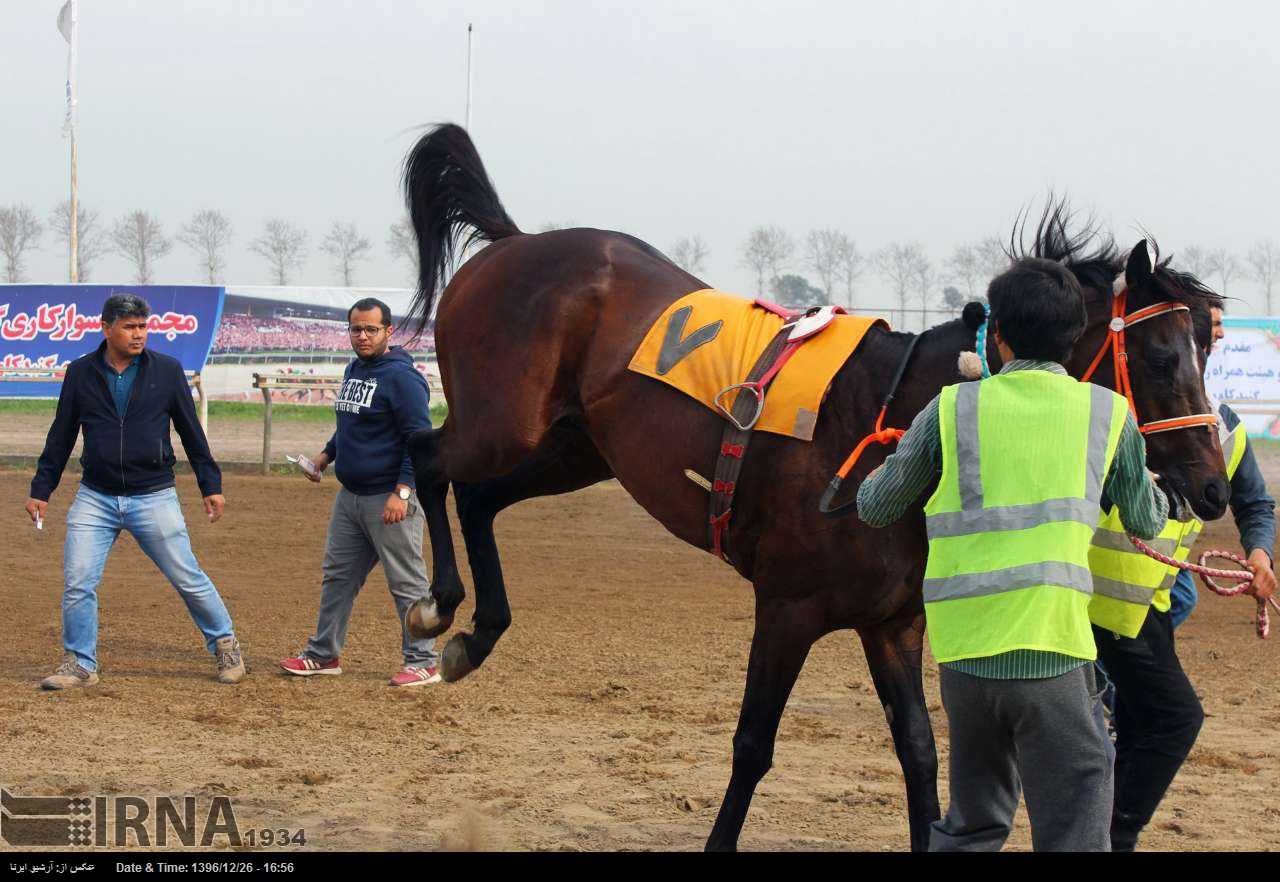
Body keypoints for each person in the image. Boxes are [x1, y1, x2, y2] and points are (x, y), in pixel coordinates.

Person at [857, 258, 1168, 851]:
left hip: (964, 658)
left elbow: (875, 506)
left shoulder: (951, 408)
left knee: (973, 821)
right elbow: (1147, 520)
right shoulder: (1107, 414)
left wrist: (903, 453)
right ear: (1075, 338)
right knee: (1077, 810)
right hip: (1052, 652)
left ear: (996, 334)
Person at [1088, 303, 1276, 852]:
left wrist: (1260, 554)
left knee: (1139, 724)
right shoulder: (1125, 417)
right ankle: (1110, 836)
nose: (1213, 336)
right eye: (1207, 328)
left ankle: (1103, 833)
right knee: (1173, 719)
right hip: (1100, 600)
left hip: (1152, 602)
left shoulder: (1228, 426)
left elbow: (1255, 502)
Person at [25, 293, 244, 689]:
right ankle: (80, 663)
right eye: (129, 327)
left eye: (143, 326)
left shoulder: (167, 370)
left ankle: (225, 644)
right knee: (78, 582)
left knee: (186, 576)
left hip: (154, 495)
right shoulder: (79, 373)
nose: (138, 334)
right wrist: (43, 487)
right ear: (106, 328)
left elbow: (191, 433)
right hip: (95, 496)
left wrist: (210, 485)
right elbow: (61, 436)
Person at [278, 298, 440, 687]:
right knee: (337, 579)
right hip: (349, 498)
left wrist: (402, 492)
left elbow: (418, 440)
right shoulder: (355, 368)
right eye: (356, 329)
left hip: (388, 499)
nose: (362, 336)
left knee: (408, 584)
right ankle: (323, 654)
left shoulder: (403, 379)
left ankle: (423, 661)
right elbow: (350, 424)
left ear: (389, 331)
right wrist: (325, 455)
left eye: (371, 329)